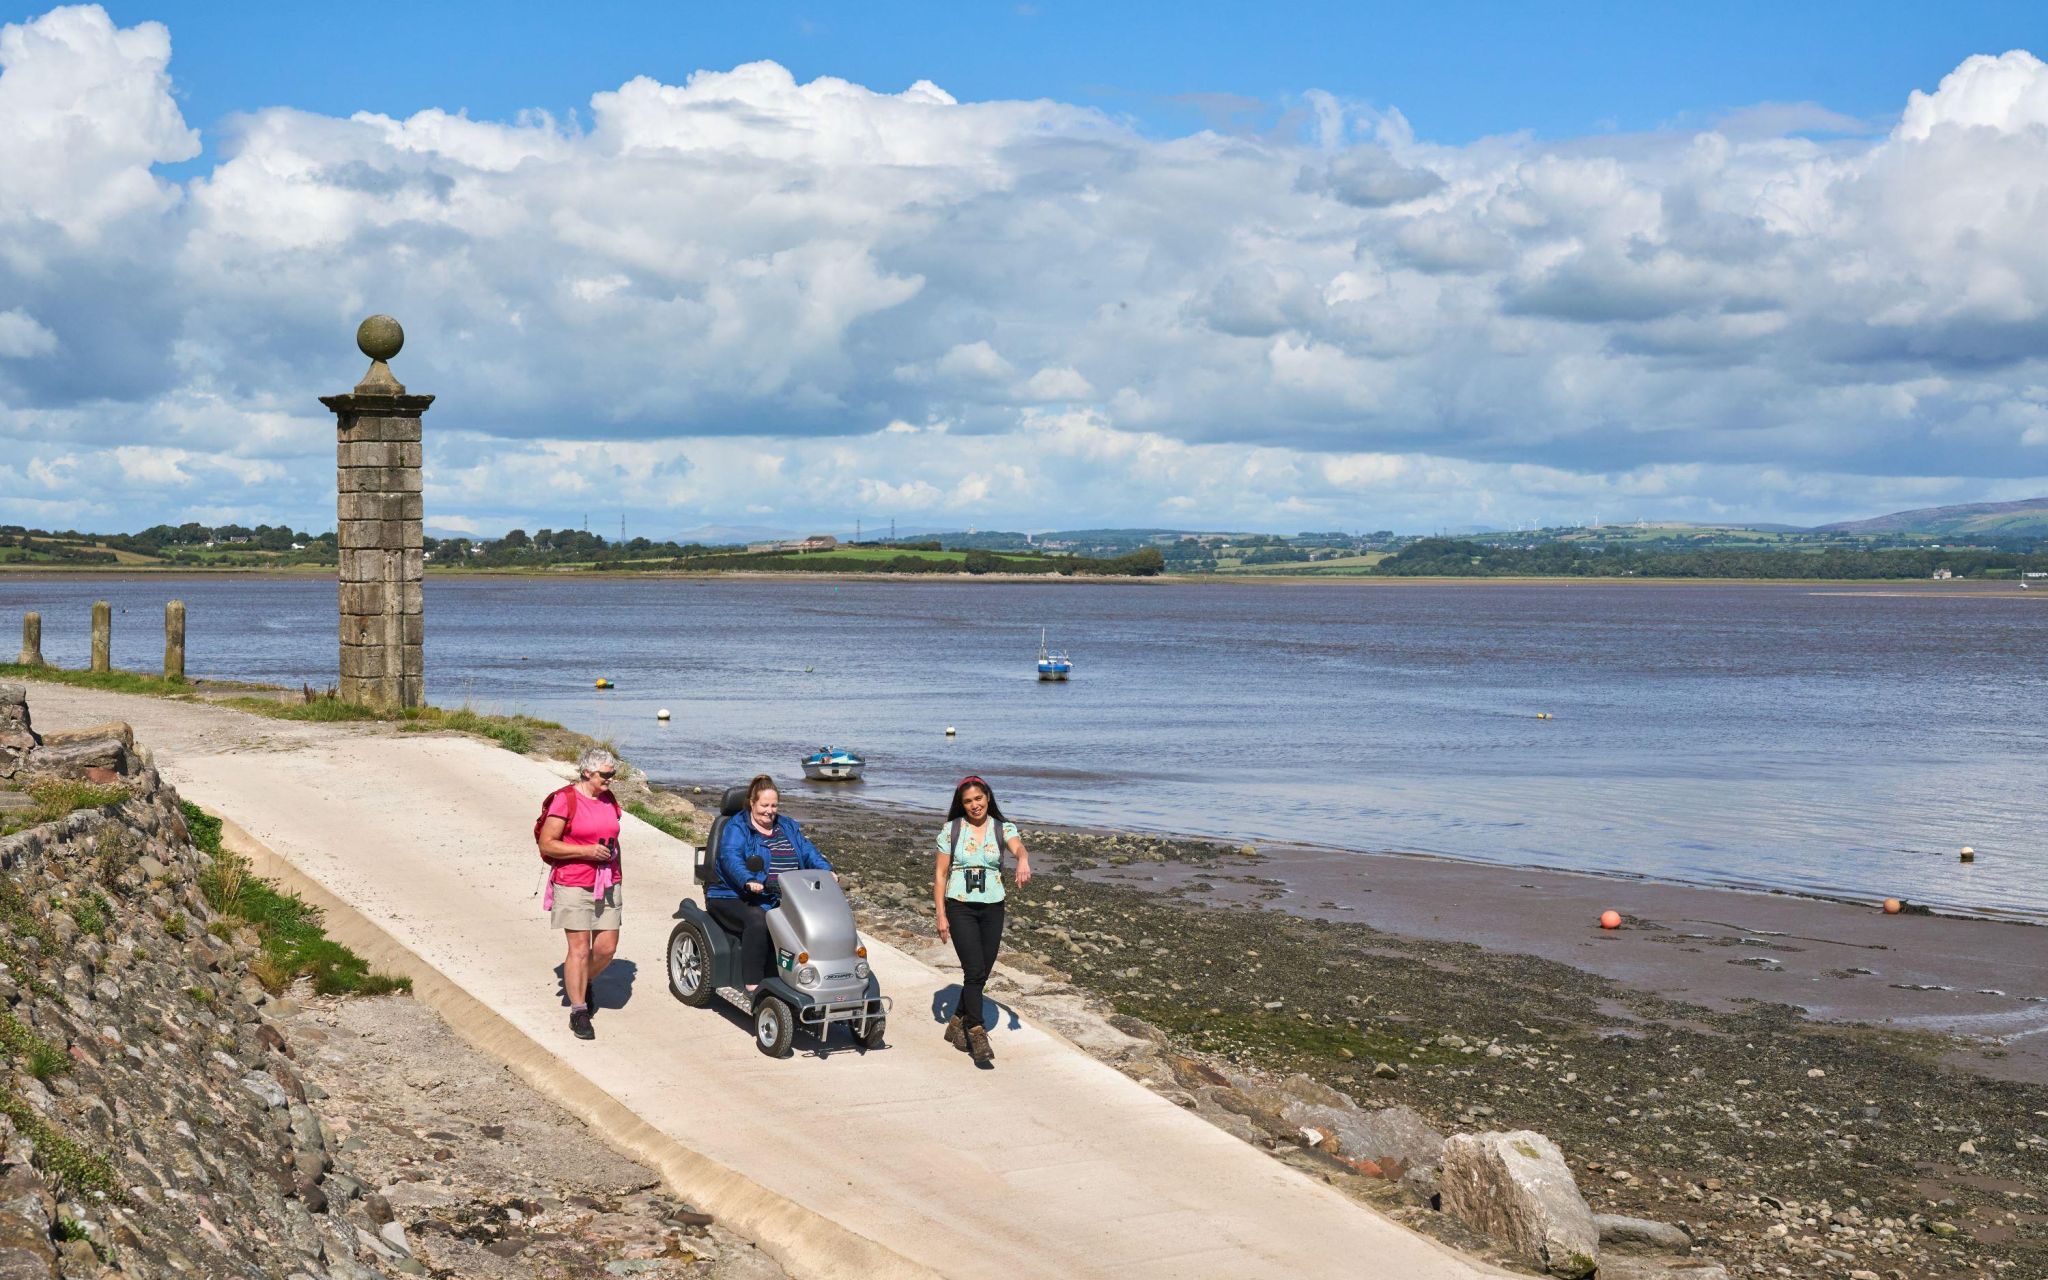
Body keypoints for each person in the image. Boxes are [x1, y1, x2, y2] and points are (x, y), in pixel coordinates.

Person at [934, 774, 1030, 1065]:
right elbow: (939, 875)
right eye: (968, 801)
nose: (975, 805)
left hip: (992, 907)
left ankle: (957, 1021)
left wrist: (1023, 860)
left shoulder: (1003, 827)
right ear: (961, 805)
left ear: (988, 797)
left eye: (978, 798)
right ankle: (977, 1032)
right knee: (974, 970)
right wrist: (940, 915)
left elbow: (1017, 847)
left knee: (981, 972)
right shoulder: (951, 830)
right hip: (960, 906)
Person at [706, 774, 834, 990]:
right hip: (734, 894)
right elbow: (730, 857)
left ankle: (815, 976)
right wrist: (748, 879)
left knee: (816, 921)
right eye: (764, 805)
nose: (770, 810)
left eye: (774, 805)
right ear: (751, 803)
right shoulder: (737, 827)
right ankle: (753, 986)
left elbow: (807, 851)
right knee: (759, 920)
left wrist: (826, 871)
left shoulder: (786, 826)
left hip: (783, 894)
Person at [537, 747, 624, 1041]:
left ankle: (582, 981)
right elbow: (548, 844)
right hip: (573, 881)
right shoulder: (565, 799)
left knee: (607, 948)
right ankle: (579, 1010)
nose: (610, 779)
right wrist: (585, 851)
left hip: (608, 881)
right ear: (587, 772)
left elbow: (613, 837)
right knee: (580, 949)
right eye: (605, 774)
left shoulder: (608, 799)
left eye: (613, 774)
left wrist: (614, 866)